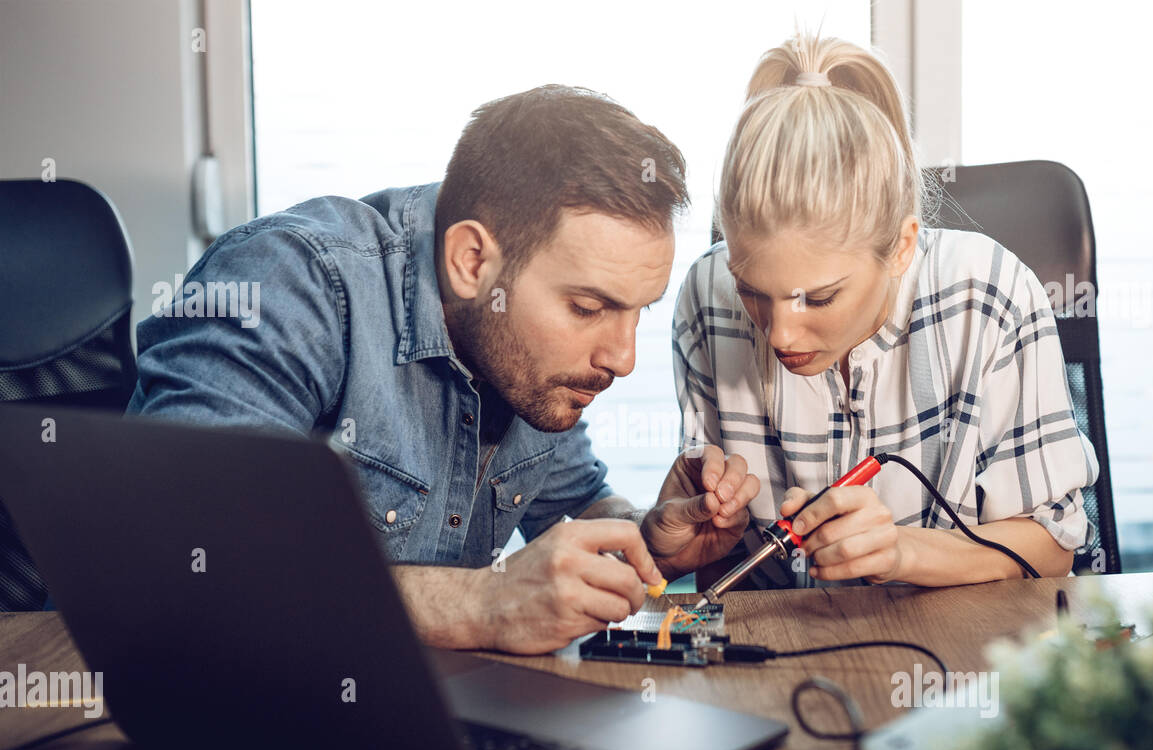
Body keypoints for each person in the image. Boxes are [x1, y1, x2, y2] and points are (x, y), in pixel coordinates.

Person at [127, 85, 760, 654]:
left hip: (404, 716)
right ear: (470, 260)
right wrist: (485, 604)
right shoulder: (288, 285)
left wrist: (648, 541)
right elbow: (187, 567)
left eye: (638, 312)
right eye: (589, 307)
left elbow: (575, 505)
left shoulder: (533, 365)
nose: (621, 358)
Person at [673, 34, 1099, 592]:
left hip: (964, 661)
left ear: (900, 247)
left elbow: (1053, 546)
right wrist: (696, 519)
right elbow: (709, 563)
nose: (780, 334)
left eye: (819, 297)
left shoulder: (990, 293)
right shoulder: (707, 296)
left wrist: (900, 553)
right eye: (751, 289)